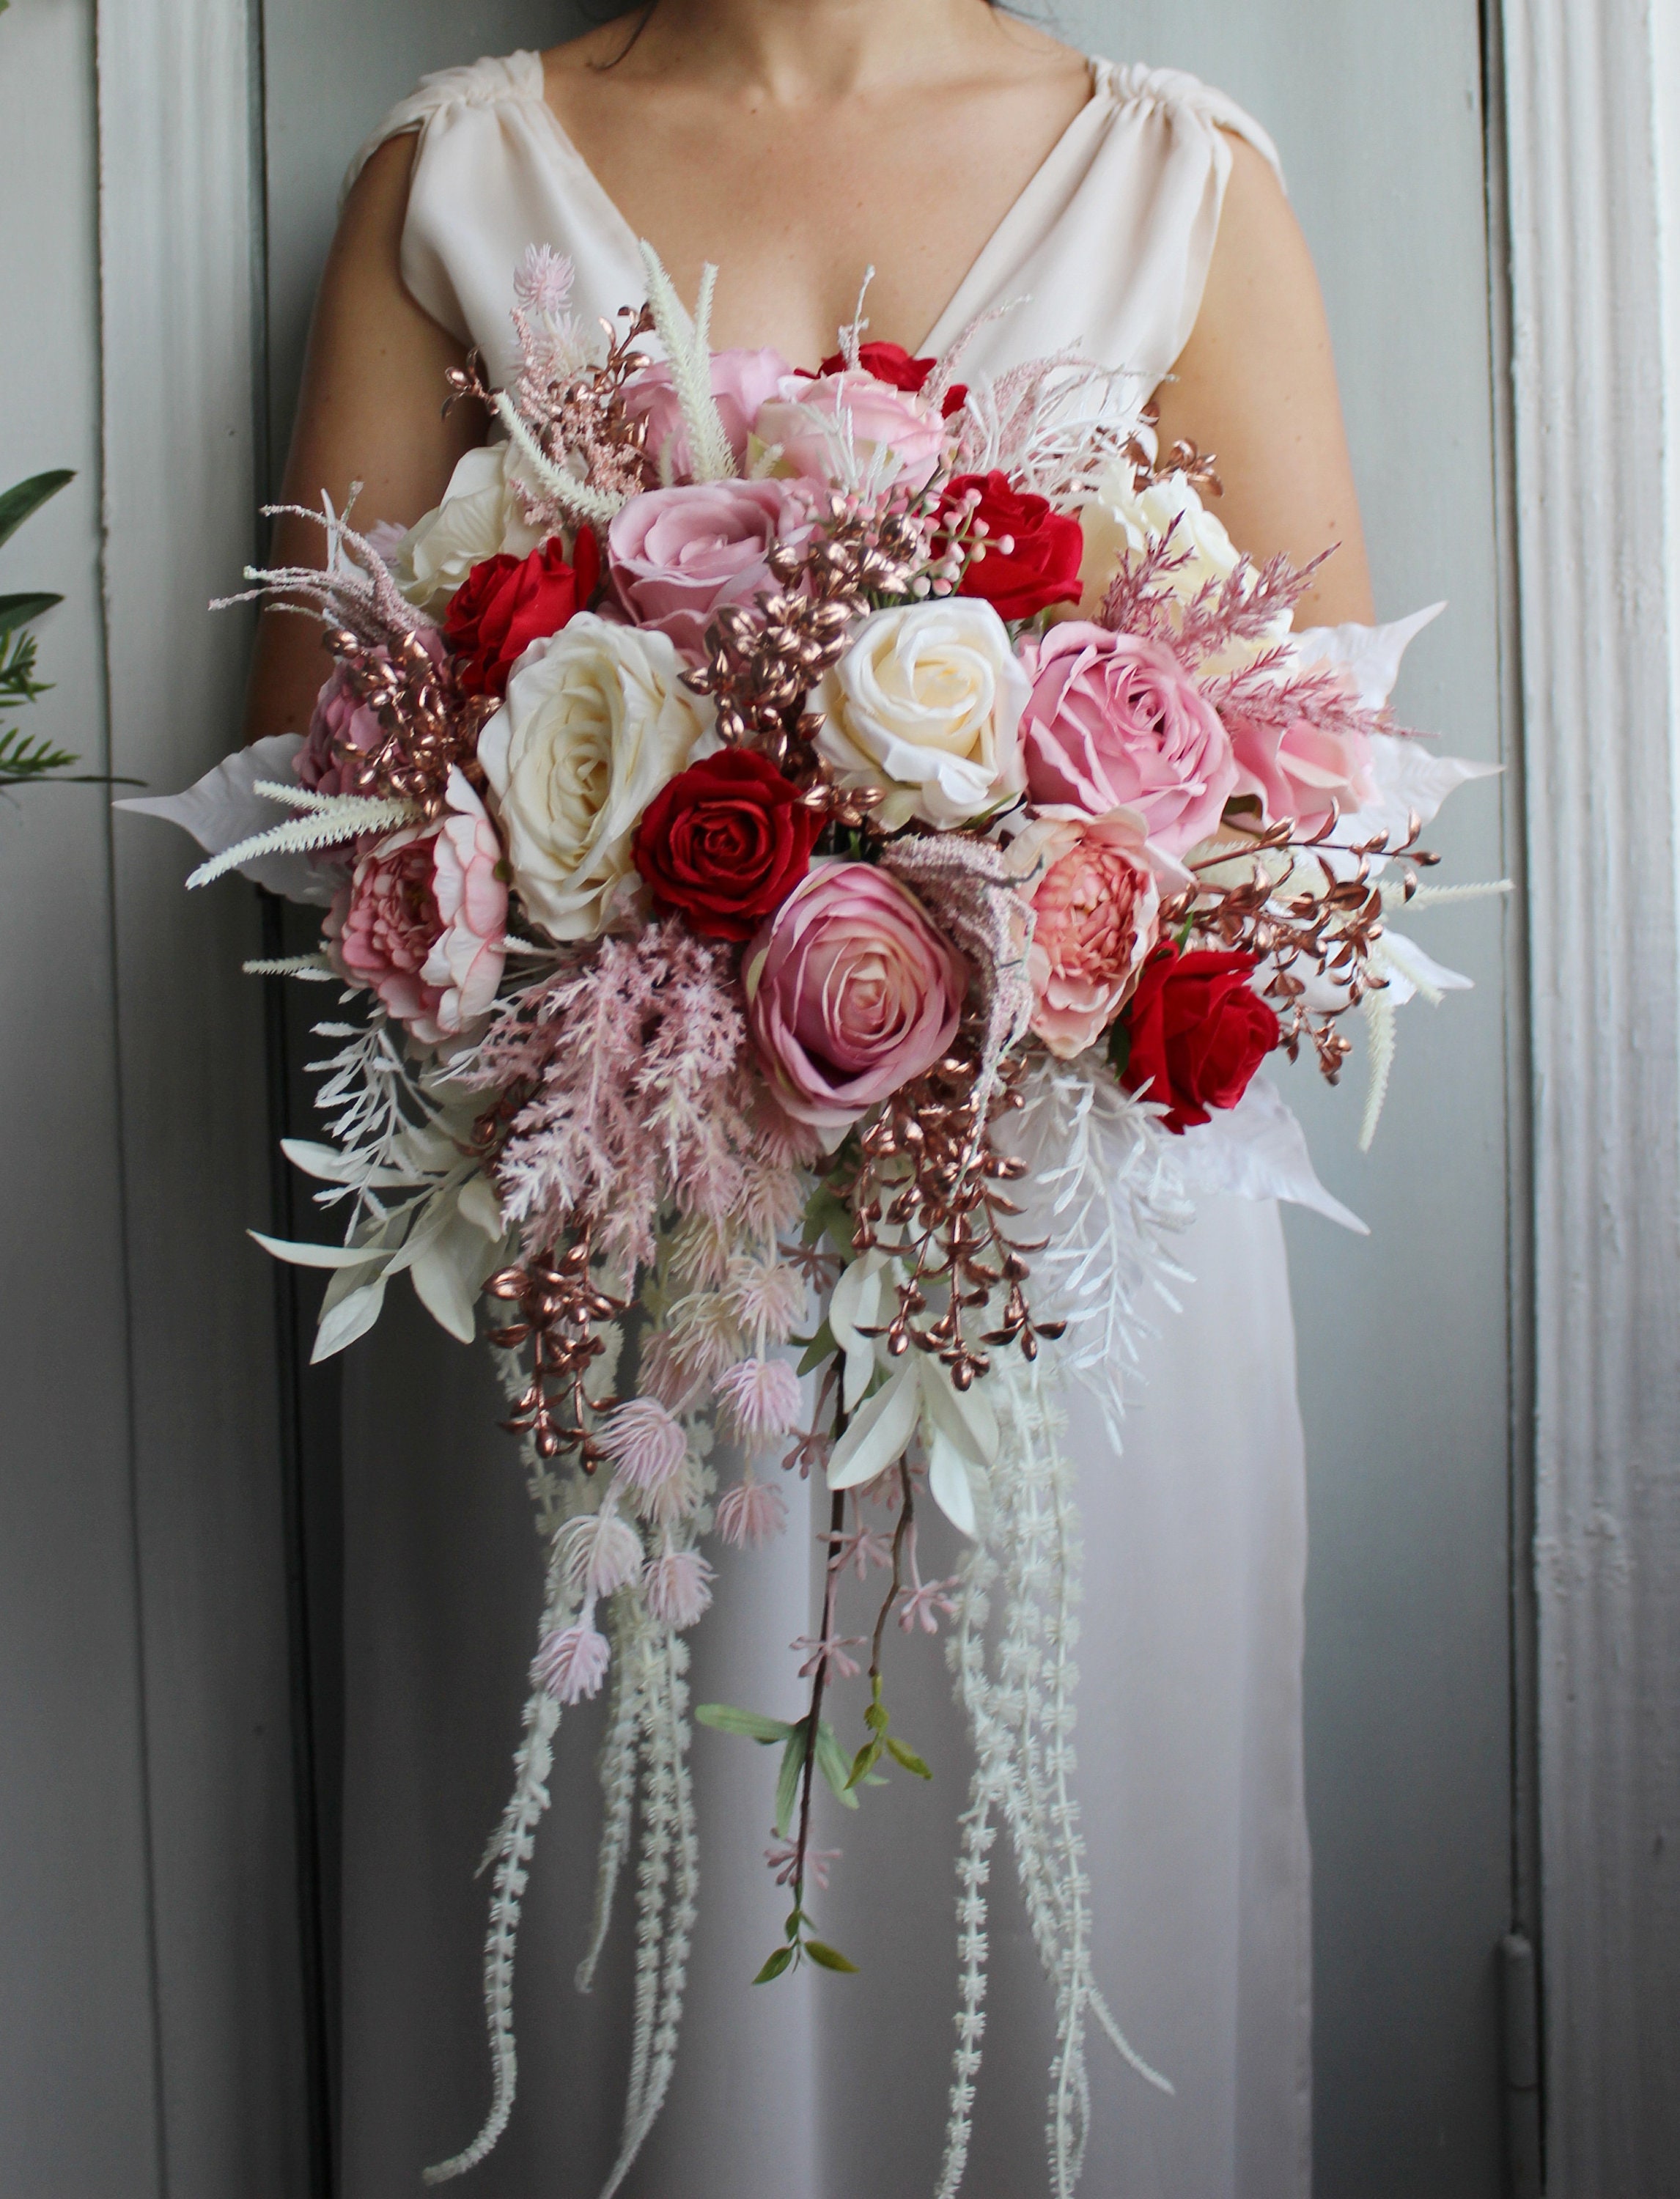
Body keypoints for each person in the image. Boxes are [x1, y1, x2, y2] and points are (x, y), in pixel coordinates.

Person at [251, 7, 1374, 2195]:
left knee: (1072, 1931)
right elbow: (325, 794)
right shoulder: (454, 182)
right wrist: (638, 868)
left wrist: (979, 876)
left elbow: (1298, 775)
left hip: (1051, 1276)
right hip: (608, 1255)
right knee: (610, 1932)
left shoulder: (1173, 176)